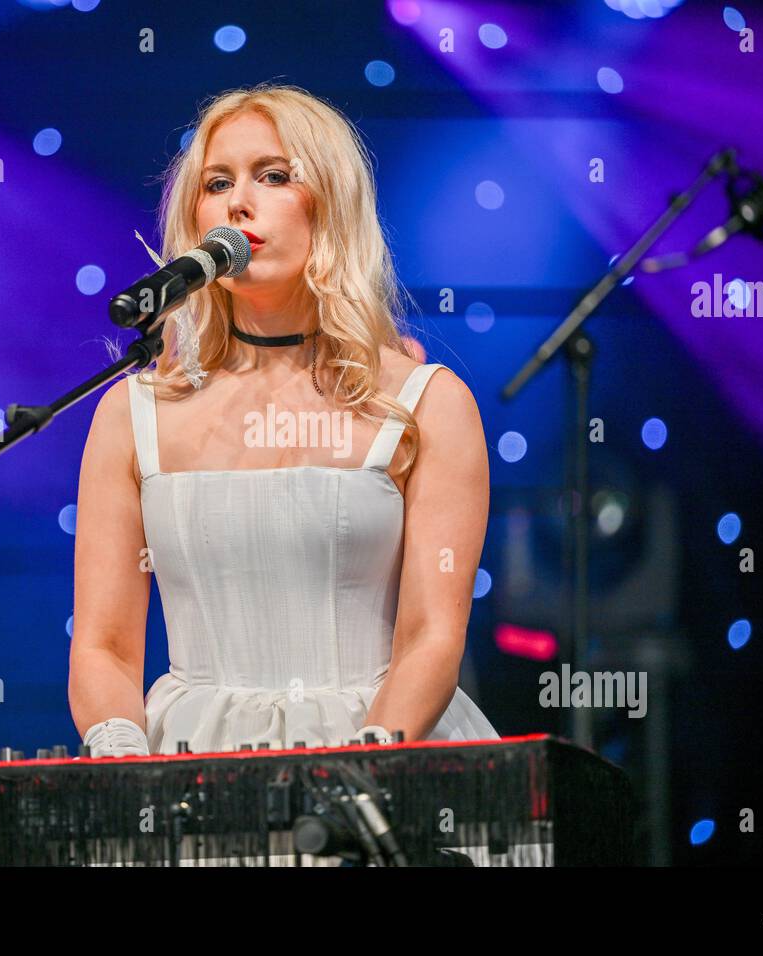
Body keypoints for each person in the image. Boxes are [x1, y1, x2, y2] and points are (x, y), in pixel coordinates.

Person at [68, 83, 499, 757]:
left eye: (273, 176)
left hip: (379, 751)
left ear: (331, 203)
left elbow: (431, 638)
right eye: (217, 183)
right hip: (188, 761)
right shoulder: (133, 413)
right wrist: (123, 761)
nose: (238, 201)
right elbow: (104, 647)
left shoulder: (426, 403)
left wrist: (358, 773)